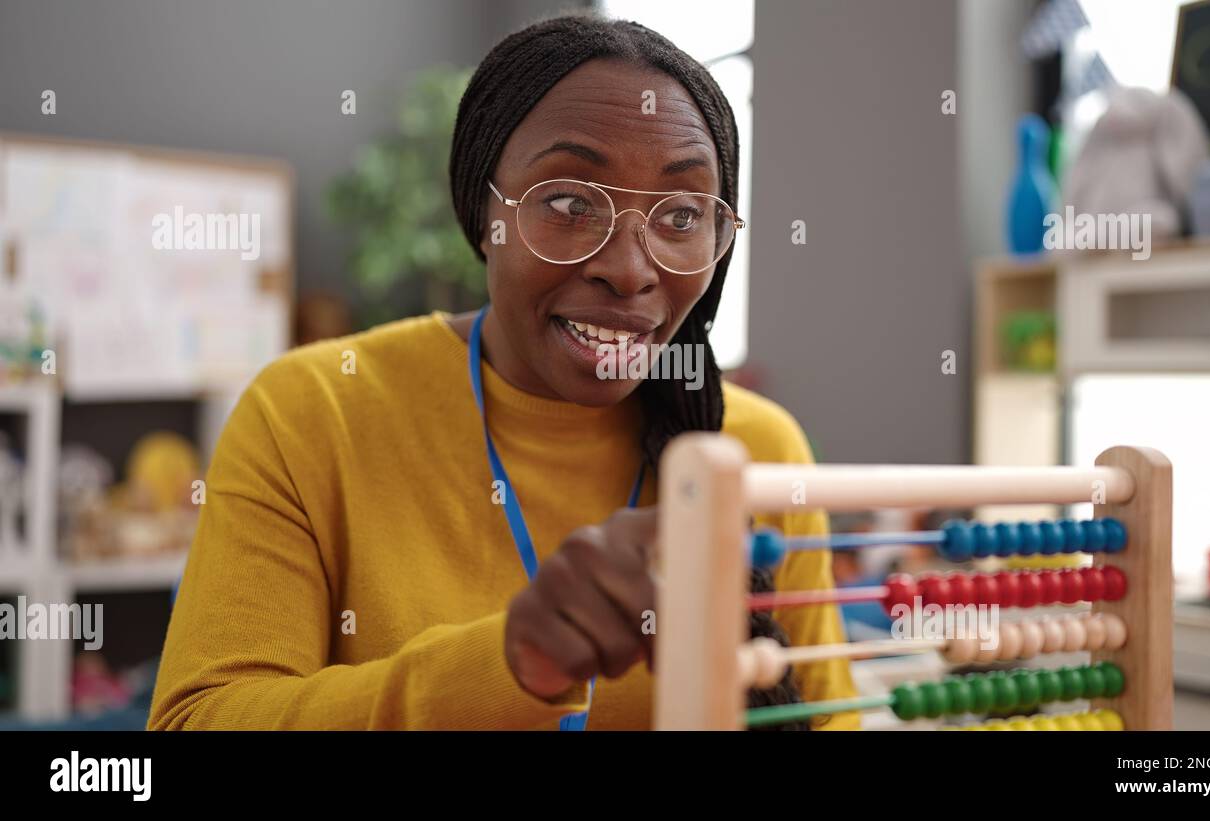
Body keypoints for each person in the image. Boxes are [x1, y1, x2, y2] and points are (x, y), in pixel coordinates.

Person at [149, 12, 857, 730]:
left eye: (681, 215)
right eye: (569, 203)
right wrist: (508, 662)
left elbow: (830, 720)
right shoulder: (311, 412)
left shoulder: (759, 454)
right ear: (481, 210)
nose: (629, 269)